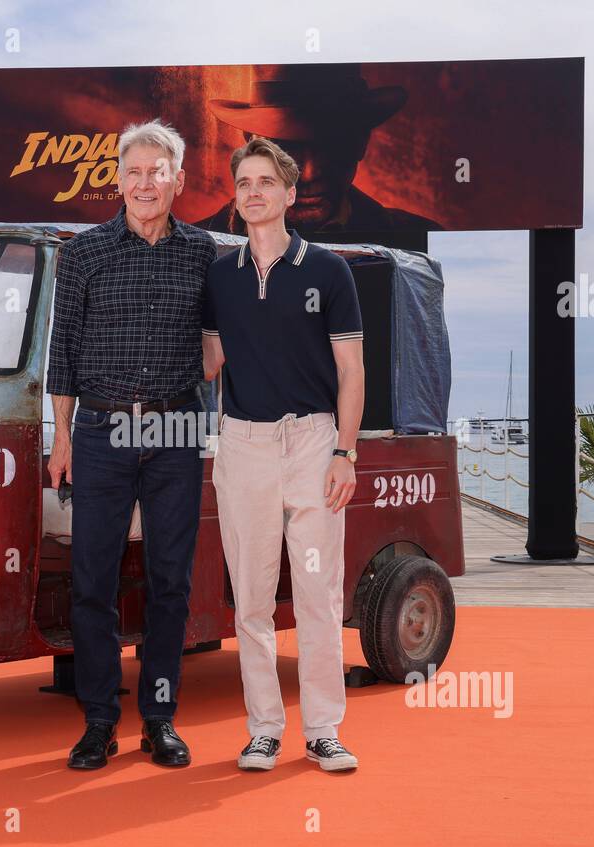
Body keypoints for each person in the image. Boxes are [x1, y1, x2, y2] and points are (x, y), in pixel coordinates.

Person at [47, 119, 218, 770]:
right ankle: (98, 724)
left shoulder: (204, 255)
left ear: (178, 180)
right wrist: (60, 435)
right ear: (118, 179)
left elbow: (219, 344)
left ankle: (161, 719)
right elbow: (62, 353)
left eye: (157, 172)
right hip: (99, 431)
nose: (145, 183)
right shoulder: (84, 253)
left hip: (175, 431)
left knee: (171, 583)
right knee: (93, 583)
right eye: (134, 172)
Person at [202, 135, 365, 773]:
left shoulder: (328, 270)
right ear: (236, 199)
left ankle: (323, 729)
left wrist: (344, 452)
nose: (254, 192)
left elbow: (351, 371)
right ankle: (264, 729)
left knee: (320, 594)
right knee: (249, 597)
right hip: (242, 444)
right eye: (244, 183)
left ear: (290, 194)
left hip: (313, 443)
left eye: (266, 181)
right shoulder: (219, 275)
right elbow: (211, 361)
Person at [195, 63, 439, 240]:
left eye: (331, 145)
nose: (309, 174)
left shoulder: (418, 237)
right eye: (285, 148)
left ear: (361, 143)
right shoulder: (197, 246)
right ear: (251, 147)